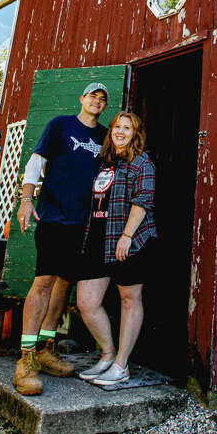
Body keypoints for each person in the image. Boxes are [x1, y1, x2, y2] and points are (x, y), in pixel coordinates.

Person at [13, 82, 109, 395]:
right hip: (54, 217)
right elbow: (36, 162)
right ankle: (25, 359)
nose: (96, 100)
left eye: (102, 98)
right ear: (82, 99)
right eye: (92, 95)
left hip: (84, 225)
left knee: (64, 285)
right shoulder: (60, 125)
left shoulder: (105, 136)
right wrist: (26, 199)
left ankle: (45, 348)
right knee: (43, 282)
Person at [74, 111, 157, 386]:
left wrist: (127, 235)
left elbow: (143, 201)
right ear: (111, 131)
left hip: (129, 240)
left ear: (135, 133)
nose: (121, 132)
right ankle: (107, 354)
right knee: (86, 302)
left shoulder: (142, 162)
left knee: (129, 300)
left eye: (127, 128)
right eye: (117, 127)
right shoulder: (104, 162)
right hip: (98, 238)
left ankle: (121, 365)